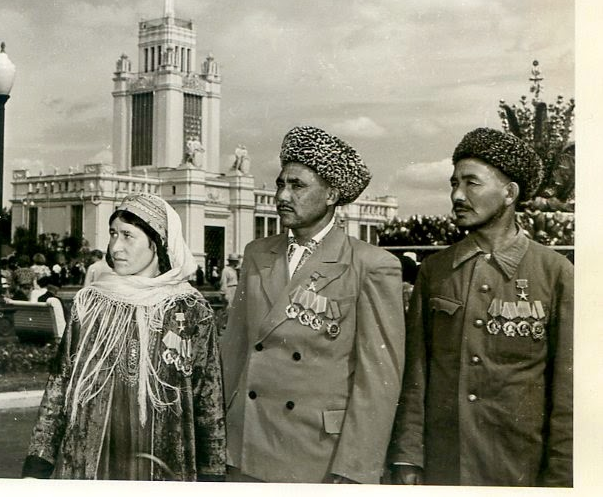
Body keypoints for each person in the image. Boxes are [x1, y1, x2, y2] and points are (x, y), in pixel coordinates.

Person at [388, 128, 573, 487]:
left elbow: (567, 391)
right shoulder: (436, 272)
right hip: (446, 467)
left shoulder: (555, 274)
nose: (457, 195)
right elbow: (416, 374)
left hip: (520, 469)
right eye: (454, 183)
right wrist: (408, 456)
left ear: (509, 193)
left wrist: (562, 478)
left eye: (472, 183)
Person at [220, 126, 405, 483]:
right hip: (245, 448)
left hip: (318, 456)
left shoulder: (371, 265)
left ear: (332, 194)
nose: (282, 196)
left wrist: (354, 468)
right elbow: (233, 351)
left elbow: (379, 379)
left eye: (297, 186)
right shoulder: (257, 254)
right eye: (280, 183)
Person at [23, 192, 226, 481]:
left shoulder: (190, 309)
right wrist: (37, 463)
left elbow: (209, 398)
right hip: (94, 455)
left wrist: (213, 475)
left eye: (128, 236)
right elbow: (60, 385)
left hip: (161, 460)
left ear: (156, 244)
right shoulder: (91, 303)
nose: (115, 246)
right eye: (112, 234)